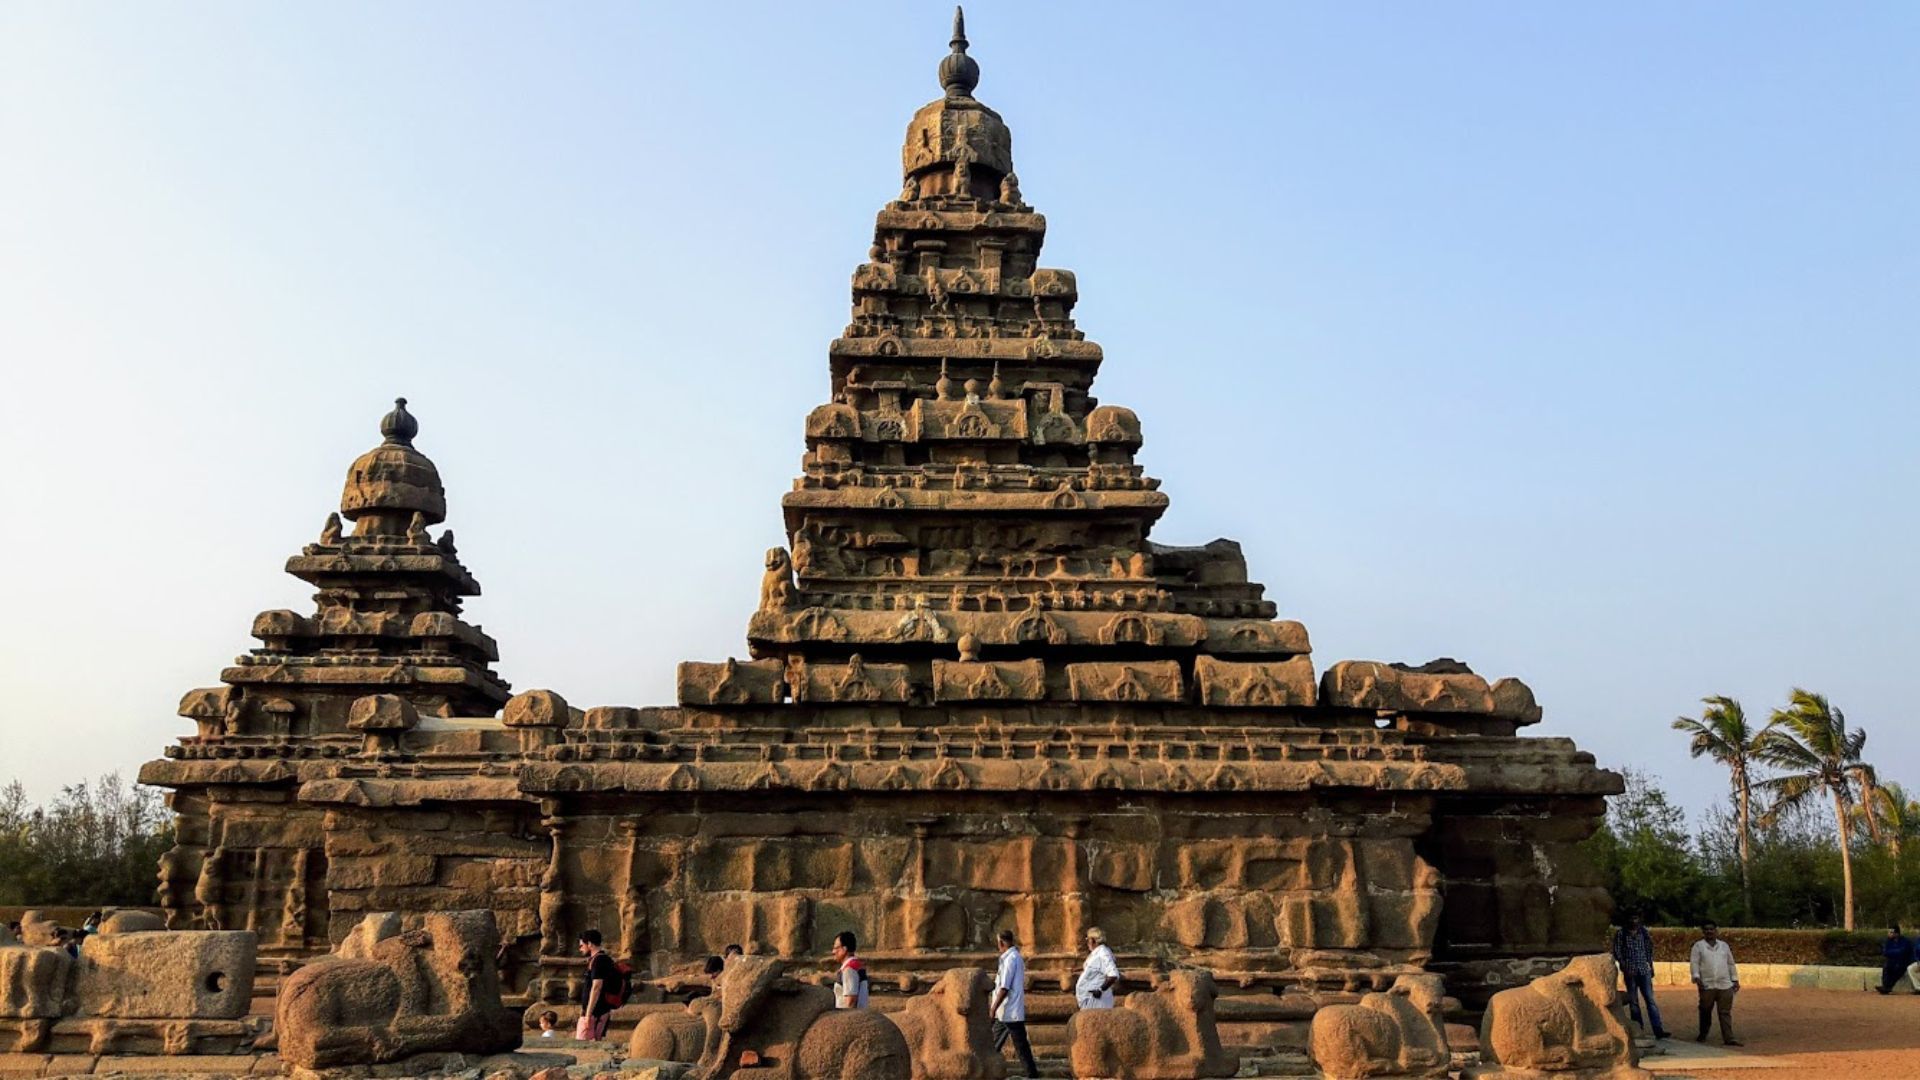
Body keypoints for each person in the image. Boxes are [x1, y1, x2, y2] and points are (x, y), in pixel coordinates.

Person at [1611, 911, 1670, 1038]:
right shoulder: (1621, 934)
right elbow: (1617, 952)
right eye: (1631, 918)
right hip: (1630, 970)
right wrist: (1624, 966)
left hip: (1644, 970)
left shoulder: (1643, 932)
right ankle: (1639, 1029)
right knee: (1634, 1002)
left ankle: (1658, 1029)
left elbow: (1648, 950)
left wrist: (1651, 966)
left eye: (1636, 918)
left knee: (1650, 1000)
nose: (1634, 921)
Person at [990, 930, 1039, 1079]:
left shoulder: (1011, 959)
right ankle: (1030, 1073)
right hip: (1006, 1011)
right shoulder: (1010, 958)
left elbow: (1005, 987)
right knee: (997, 1042)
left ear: (1001, 942)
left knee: (1018, 1044)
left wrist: (993, 1008)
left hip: (1008, 1010)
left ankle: (1031, 1074)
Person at [1689, 922, 1741, 1046]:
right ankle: (1703, 1033)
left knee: (1725, 1012)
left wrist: (1735, 979)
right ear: (1703, 932)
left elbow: (1730, 963)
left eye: (1711, 929)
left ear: (1716, 931)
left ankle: (1729, 1038)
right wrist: (1696, 977)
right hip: (1707, 984)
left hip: (1725, 983)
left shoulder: (1724, 946)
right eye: (1706, 929)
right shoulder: (1698, 946)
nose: (1709, 932)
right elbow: (1694, 962)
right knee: (1705, 1010)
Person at [576, 929, 619, 1041]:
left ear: (589, 944)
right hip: (596, 1012)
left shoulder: (599, 961)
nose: (580, 949)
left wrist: (588, 1015)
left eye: (581, 945)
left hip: (596, 1013)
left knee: (582, 1046)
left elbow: (596, 987)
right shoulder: (600, 959)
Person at [1076, 927, 1120, 1010]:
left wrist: (1100, 990)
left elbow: (1113, 975)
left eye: (1087, 939)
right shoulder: (1097, 953)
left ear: (1092, 940)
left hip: (1096, 1000)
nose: (1087, 943)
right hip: (1090, 999)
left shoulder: (1103, 953)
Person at [830, 931, 868, 1008]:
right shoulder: (854, 966)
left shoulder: (849, 969)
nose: (833, 952)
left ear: (844, 949)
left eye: (836, 948)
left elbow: (850, 1001)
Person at [1878, 925, 1916, 995]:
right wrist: (1895, 952)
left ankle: (1887, 987)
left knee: (1898, 967)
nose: (1889, 933)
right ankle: (1885, 987)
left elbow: (1902, 953)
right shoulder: (1888, 941)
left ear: (1897, 934)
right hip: (1893, 961)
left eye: (1891, 932)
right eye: (1888, 932)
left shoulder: (1905, 941)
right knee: (1886, 966)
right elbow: (1885, 952)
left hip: (1905, 961)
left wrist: (1892, 952)